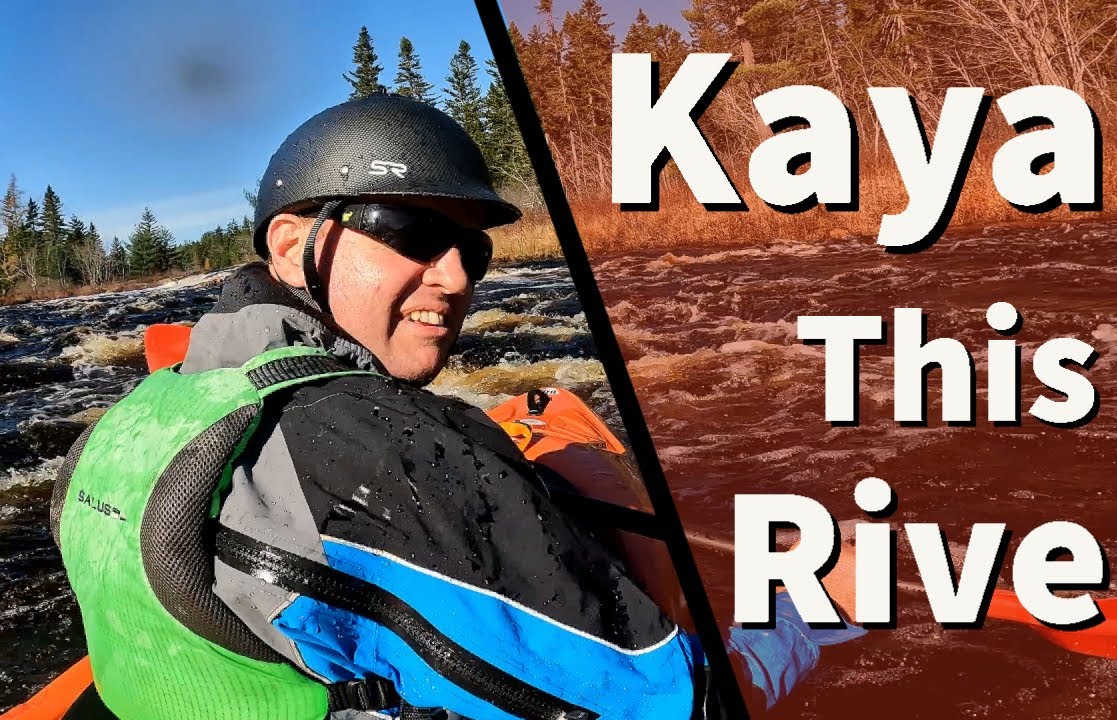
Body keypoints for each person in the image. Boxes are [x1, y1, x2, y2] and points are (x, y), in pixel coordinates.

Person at [48, 93, 864, 720]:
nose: (456, 278)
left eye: (471, 249)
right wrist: (815, 609)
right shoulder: (373, 451)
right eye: (408, 230)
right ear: (293, 247)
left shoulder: (142, 410)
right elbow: (671, 706)